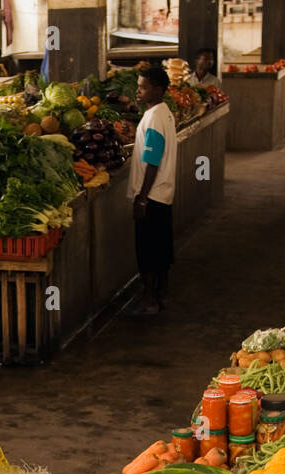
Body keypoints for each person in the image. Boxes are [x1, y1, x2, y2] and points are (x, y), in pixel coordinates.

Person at [128, 66, 177, 315]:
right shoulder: (164, 112)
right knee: (161, 247)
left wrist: (142, 198)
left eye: (144, 86)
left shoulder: (155, 117)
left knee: (146, 250)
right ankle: (163, 294)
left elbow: (153, 159)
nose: (139, 90)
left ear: (158, 89)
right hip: (164, 194)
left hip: (153, 195)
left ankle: (149, 300)